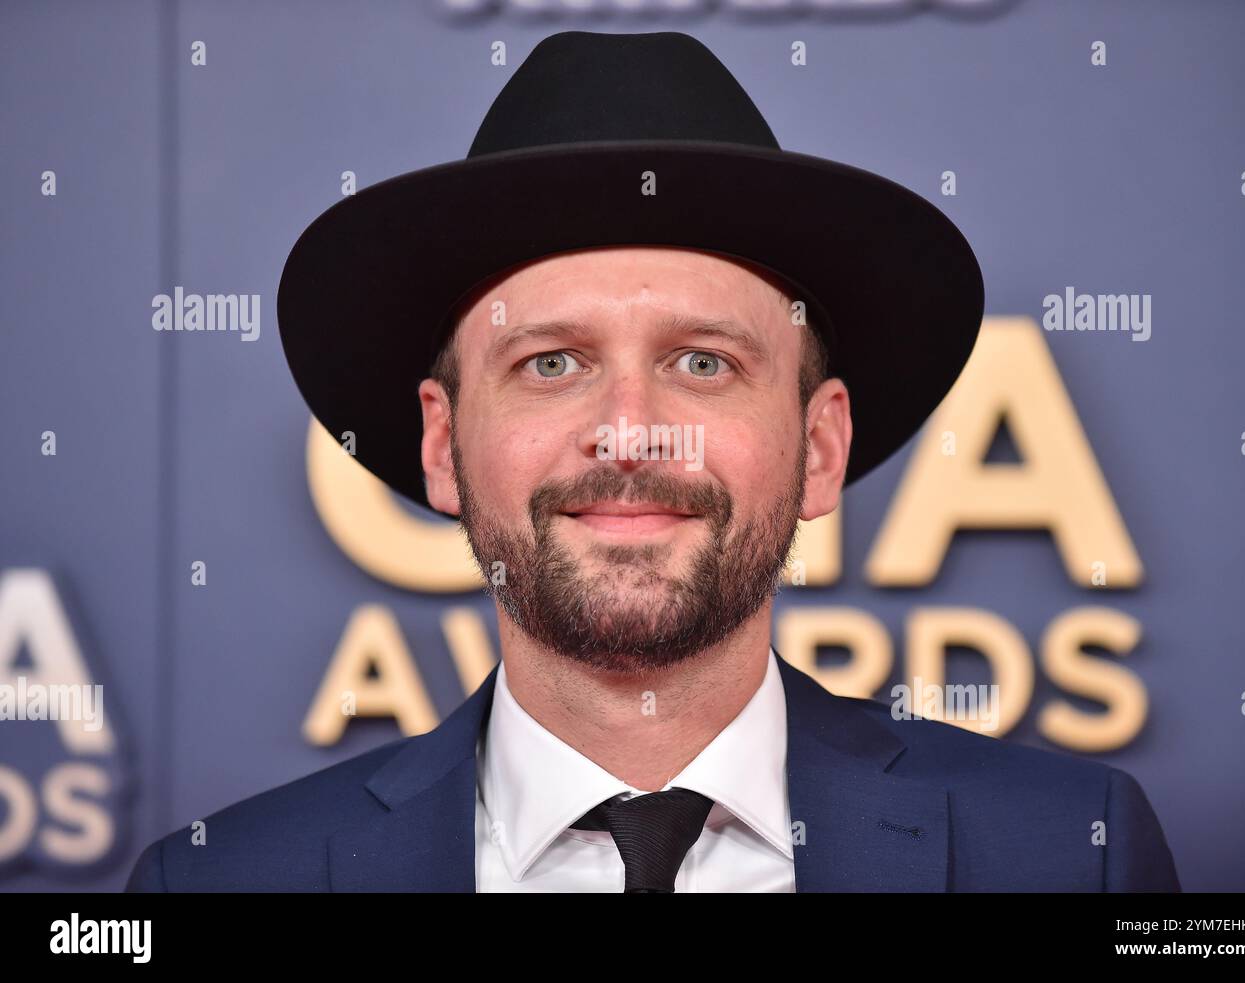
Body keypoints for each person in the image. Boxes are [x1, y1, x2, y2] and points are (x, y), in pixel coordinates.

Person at [125, 30, 1179, 892]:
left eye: (702, 361)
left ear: (818, 448)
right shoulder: (222, 884)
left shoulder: (1072, 855)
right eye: (549, 362)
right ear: (442, 444)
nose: (629, 430)